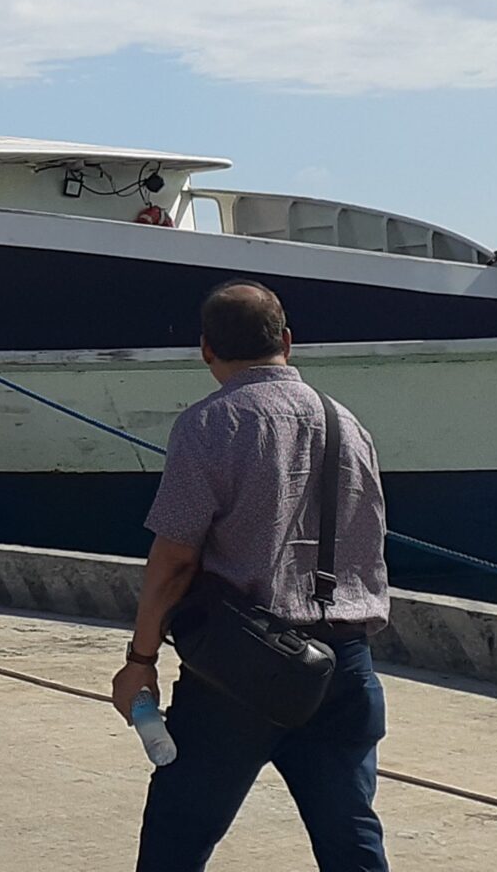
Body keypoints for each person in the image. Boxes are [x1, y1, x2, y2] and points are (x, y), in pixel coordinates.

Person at [111, 281, 391, 872]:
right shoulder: (348, 425)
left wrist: (140, 661)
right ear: (287, 342)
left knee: (177, 837)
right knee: (352, 842)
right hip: (345, 668)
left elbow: (175, 560)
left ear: (206, 350)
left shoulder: (210, 425)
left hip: (240, 674)